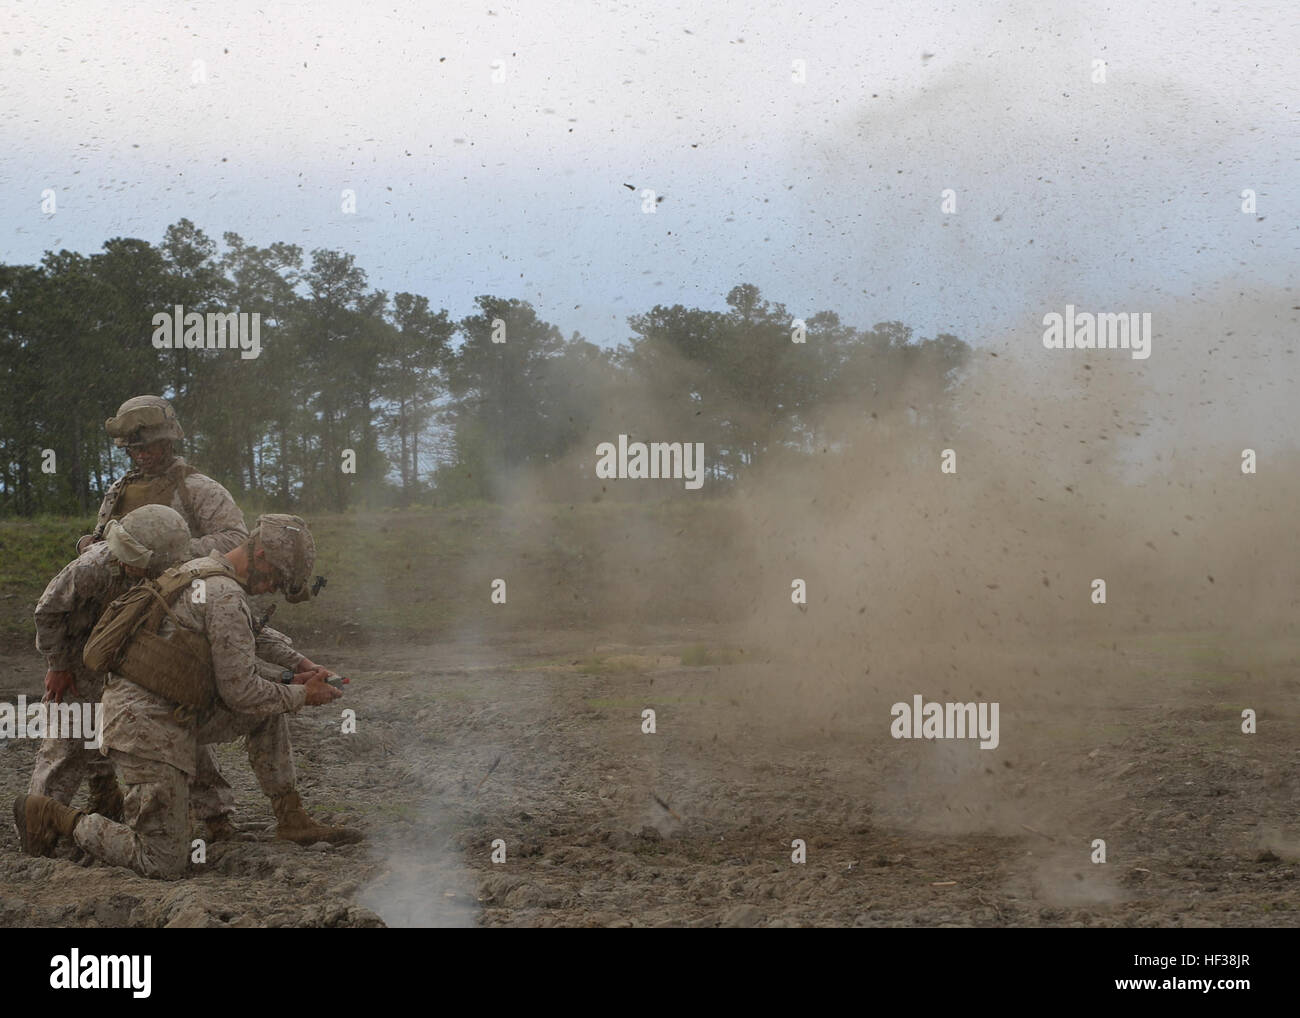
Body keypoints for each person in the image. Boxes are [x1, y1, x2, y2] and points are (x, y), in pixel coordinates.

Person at [15, 515, 360, 879]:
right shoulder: (223, 593)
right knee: (162, 861)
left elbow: (251, 640)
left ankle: (291, 816)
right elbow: (242, 692)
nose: (272, 588)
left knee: (269, 706)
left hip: (172, 708)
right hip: (143, 727)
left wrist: (300, 670)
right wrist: (303, 693)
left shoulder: (204, 570)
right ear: (259, 554)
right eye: (275, 578)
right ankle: (54, 816)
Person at [29, 505, 193, 820]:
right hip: (76, 656)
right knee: (67, 739)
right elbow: (47, 611)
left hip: (124, 654)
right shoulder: (91, 568)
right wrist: (58, 666)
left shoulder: (168, 569)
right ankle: (39, 817)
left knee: (109, 730)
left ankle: (105, 800)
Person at [76, 395, 247, 558]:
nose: (142, 454)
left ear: (167, 442)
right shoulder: (118, 490)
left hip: (183, 581)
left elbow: (236, 540)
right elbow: (103, 541)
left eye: (150, 446)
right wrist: (90, 545)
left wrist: (169, 552)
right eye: (135, 448)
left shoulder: (199, 488)